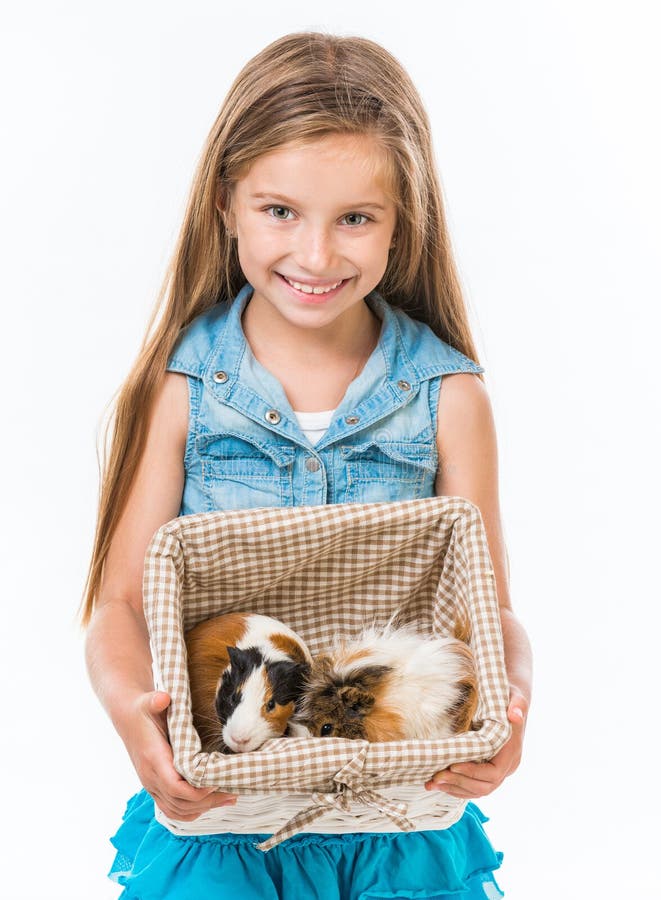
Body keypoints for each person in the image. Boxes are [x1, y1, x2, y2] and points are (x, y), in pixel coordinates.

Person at [81, 31, 532, 900]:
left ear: (405, 222)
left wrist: (513, 708)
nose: (316, 256)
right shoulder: (182, 390)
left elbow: (491, 610)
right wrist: (134, 717)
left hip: (397, 820)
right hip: (223, 823)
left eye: (355, 218)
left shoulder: (451, 397)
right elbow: (119, 606)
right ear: (225, 205)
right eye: (279, 210)